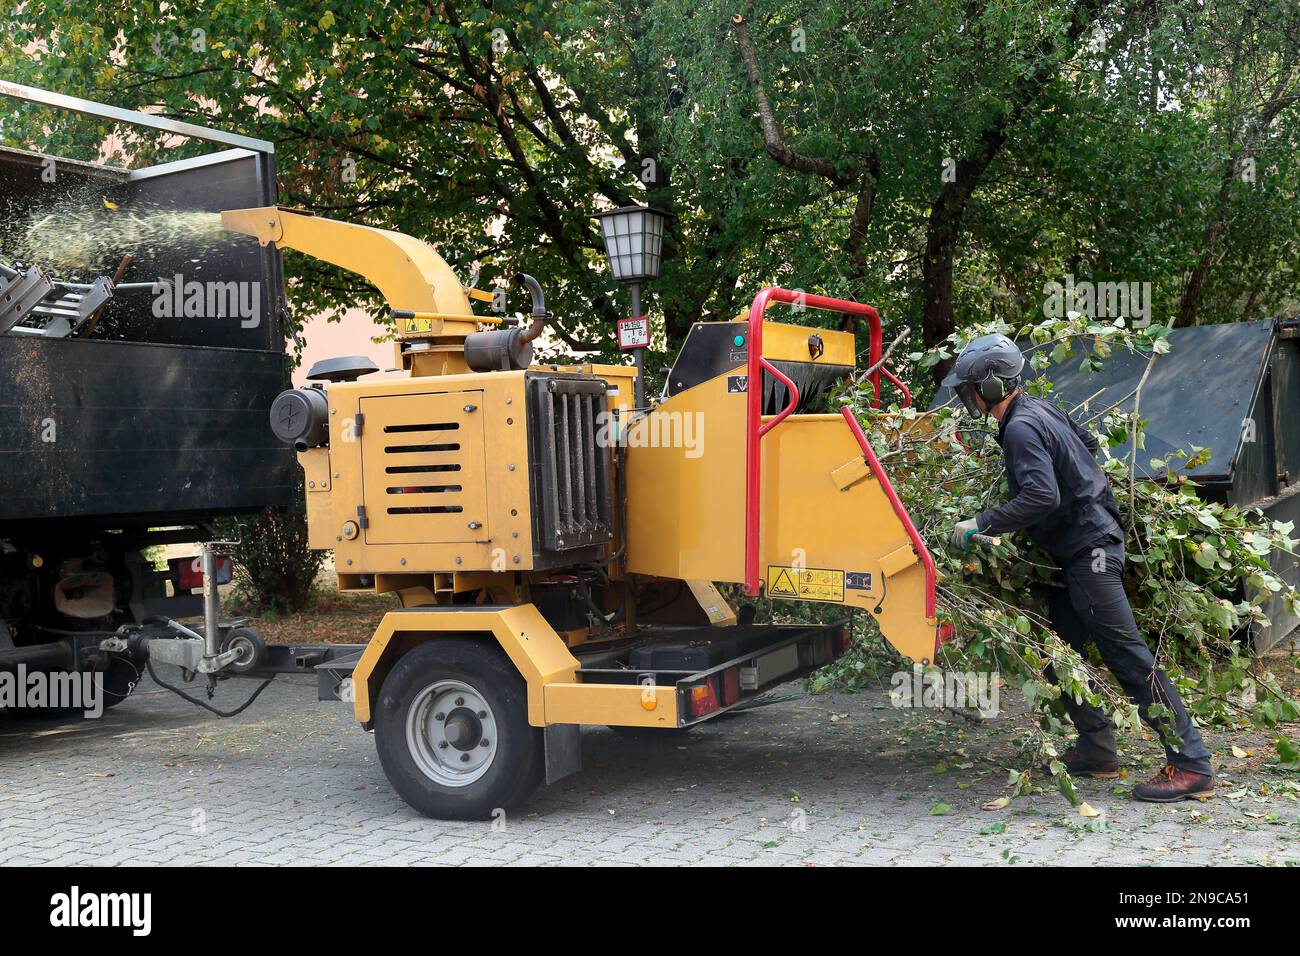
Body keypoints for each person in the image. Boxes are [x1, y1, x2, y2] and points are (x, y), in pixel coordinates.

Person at [942, 333, 1214, 802]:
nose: (966, 397)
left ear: (989, 386)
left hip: (1089, 551)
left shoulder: (1023, 427)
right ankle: (1097, 748)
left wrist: (981, 522)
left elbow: (1041, 495)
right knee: (1058, 652)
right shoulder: (1039, 409)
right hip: (1079, 547)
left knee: (1128, 657)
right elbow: (1085, 442)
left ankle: (1192, 766)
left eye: (969, 388)